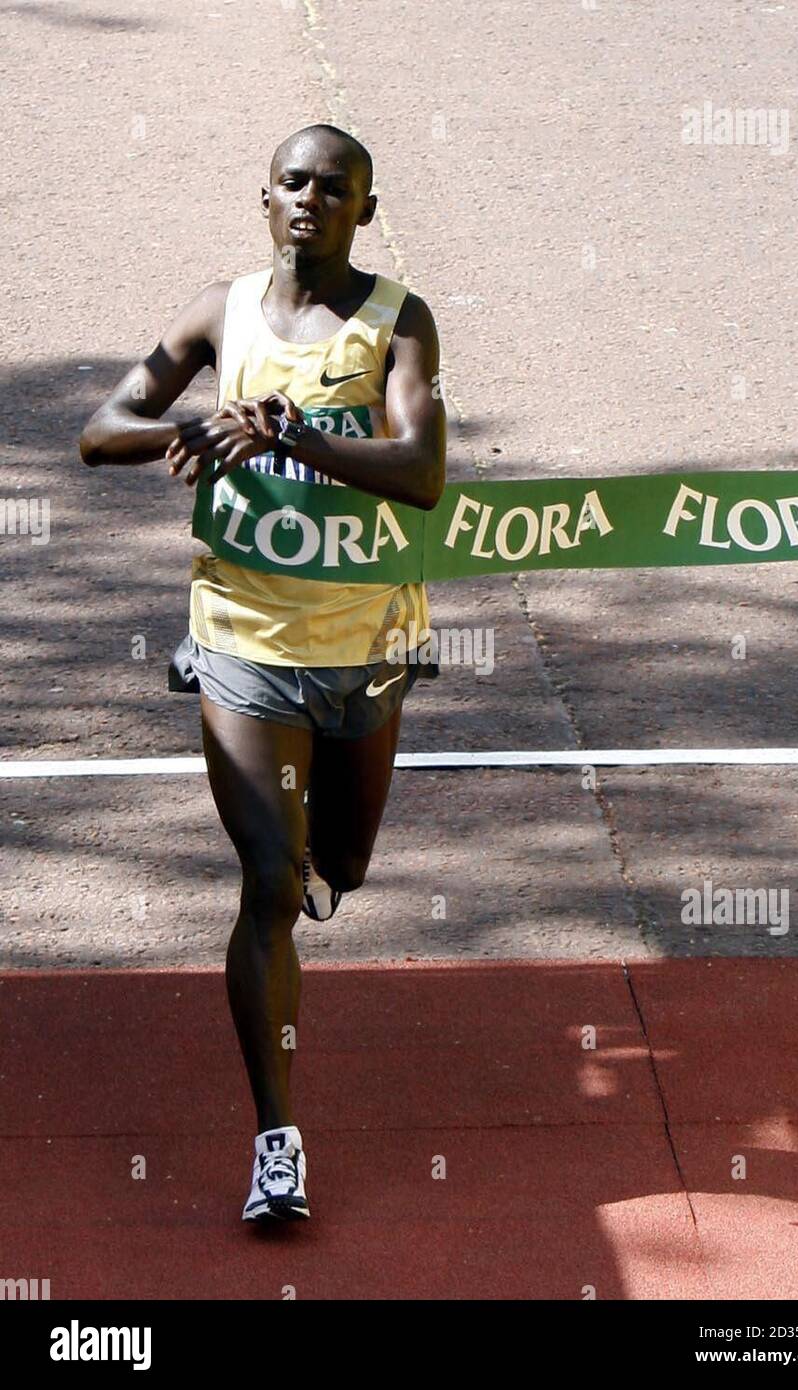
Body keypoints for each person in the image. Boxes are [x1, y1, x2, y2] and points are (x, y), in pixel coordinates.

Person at [79, 123, 446, 1222]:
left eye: (335, 189)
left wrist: (291, 434)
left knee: (340, 862)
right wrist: (187, 429)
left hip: (367, 642)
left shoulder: (397, 322)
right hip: (245, 638)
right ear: (263, 196)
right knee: (270, 882)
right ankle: (276, 1139)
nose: (309, 200)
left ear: (363, 212)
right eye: (292, 182)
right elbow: (103, 430)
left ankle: (318, 864)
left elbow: (421, 469)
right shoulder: (219, 313)